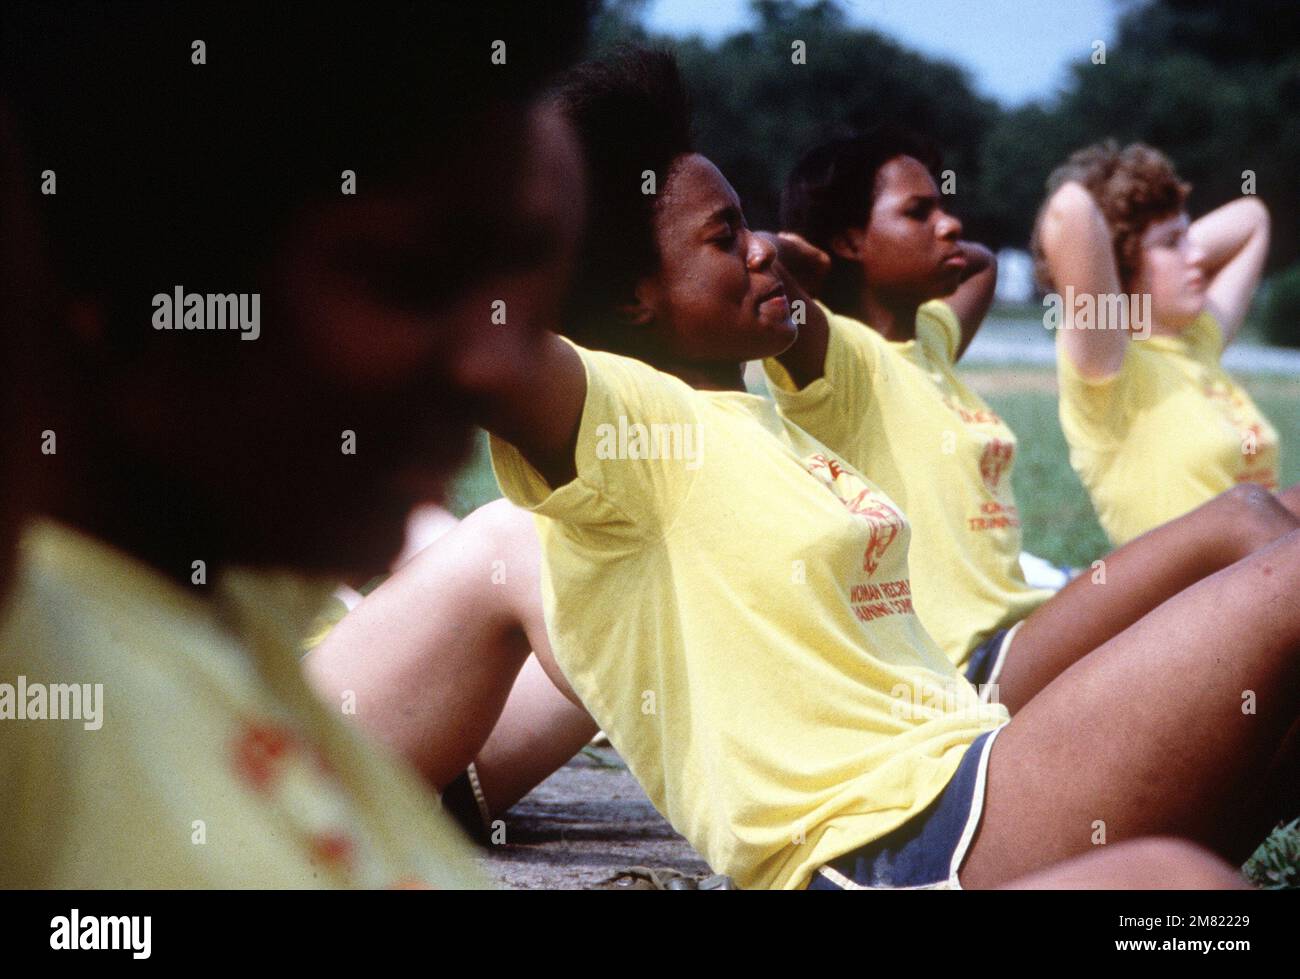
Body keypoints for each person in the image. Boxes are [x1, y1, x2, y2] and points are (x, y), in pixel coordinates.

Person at [311, 47, 1299, 890]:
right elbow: (486, 343)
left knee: (1191, 897)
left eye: (754, 226)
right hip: (887, 843)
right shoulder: (630, 424)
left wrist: (751, 265)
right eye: (723, 237)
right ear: (639, 298)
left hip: (965, 771)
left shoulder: (766, 421)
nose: (762, 252)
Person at [0, 1, 590, 887]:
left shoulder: (228, 606)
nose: (501, 367)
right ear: (118, 266)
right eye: (410, 278)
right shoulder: (33, 667)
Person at [760, 130, 1300, 711]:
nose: (948, 224)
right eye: (919, 212)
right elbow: (760, 256)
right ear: (846, 239)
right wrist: (801, 254)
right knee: (1242, 515)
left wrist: (912, 248)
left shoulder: (931, 345)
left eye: (943, 208)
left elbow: (983, 267)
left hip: (1023, 628)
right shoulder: (840, 359)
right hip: (965, 665)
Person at [1034, 141, 1295, 545]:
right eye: (1174, 244)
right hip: (1190, 599)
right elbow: (1070, 211)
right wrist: (1126, 251)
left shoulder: (1197, 340)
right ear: (1122, 256)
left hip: (1266, 580)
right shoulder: (1110, 365)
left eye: (1190, 239)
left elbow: (1252, 217)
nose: (1198, 258)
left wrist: (1164, 240)